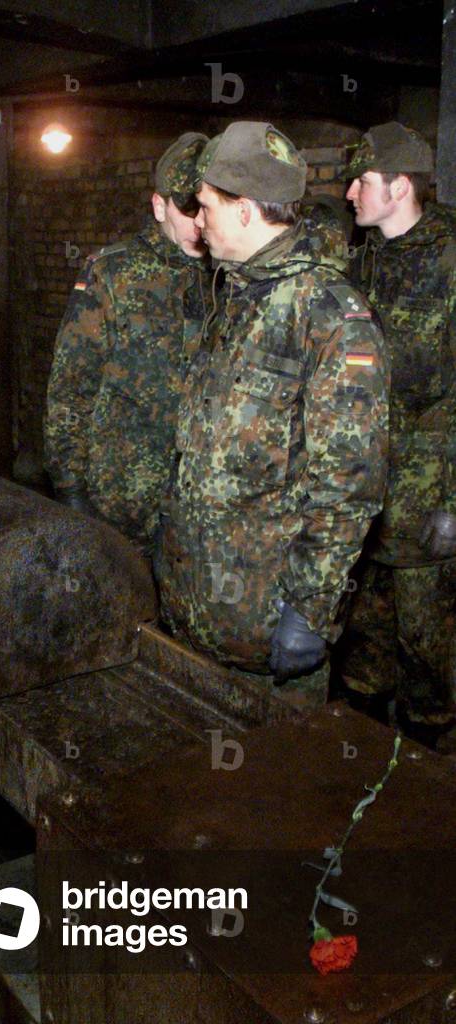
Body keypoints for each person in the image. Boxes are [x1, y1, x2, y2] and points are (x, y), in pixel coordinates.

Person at [155, 122, 390, 710]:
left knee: (277, 771)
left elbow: (348, 486)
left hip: (263, 627)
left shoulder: (329, 316)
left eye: (206, 205)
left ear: (243, 210)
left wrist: (308, 612)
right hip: (195, 612)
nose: (197, 219)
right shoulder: (234, 295)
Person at [339, 121, 456, 744]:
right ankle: (358, 755)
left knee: (426, 644)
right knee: (364, 633)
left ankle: (427, 760)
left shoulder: (450, 257)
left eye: (362, 180)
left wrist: (453, 505)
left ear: (401, 186)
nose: (350, 193)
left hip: (428, 496)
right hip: (367, 488)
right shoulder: (363, 260)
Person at [43, 132, 210, 550]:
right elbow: (71, 387)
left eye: (205, 207)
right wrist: (70, 488)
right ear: (159, 206)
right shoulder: (111, 273)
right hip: (120, 505)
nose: (197, 223)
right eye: (186, 210)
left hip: (198, 510)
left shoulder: (228, 278)